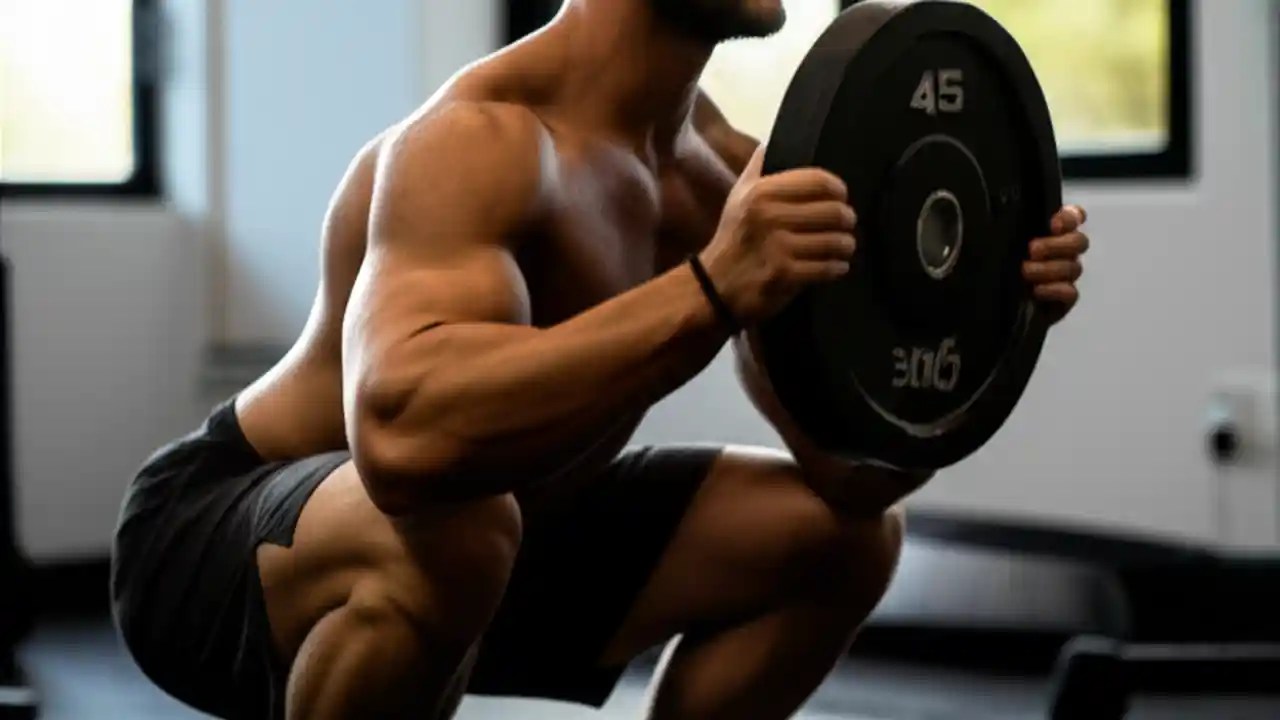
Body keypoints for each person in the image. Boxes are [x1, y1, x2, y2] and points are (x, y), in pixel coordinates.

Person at [110, 0, 1091, 718]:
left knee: (837, 542)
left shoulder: (722, 174)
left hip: (511, 530)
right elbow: (403, 441)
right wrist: (710, 290)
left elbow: (848, 479)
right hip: (224, 531)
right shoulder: (480, 143)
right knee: (456, 530)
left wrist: (988, 322)